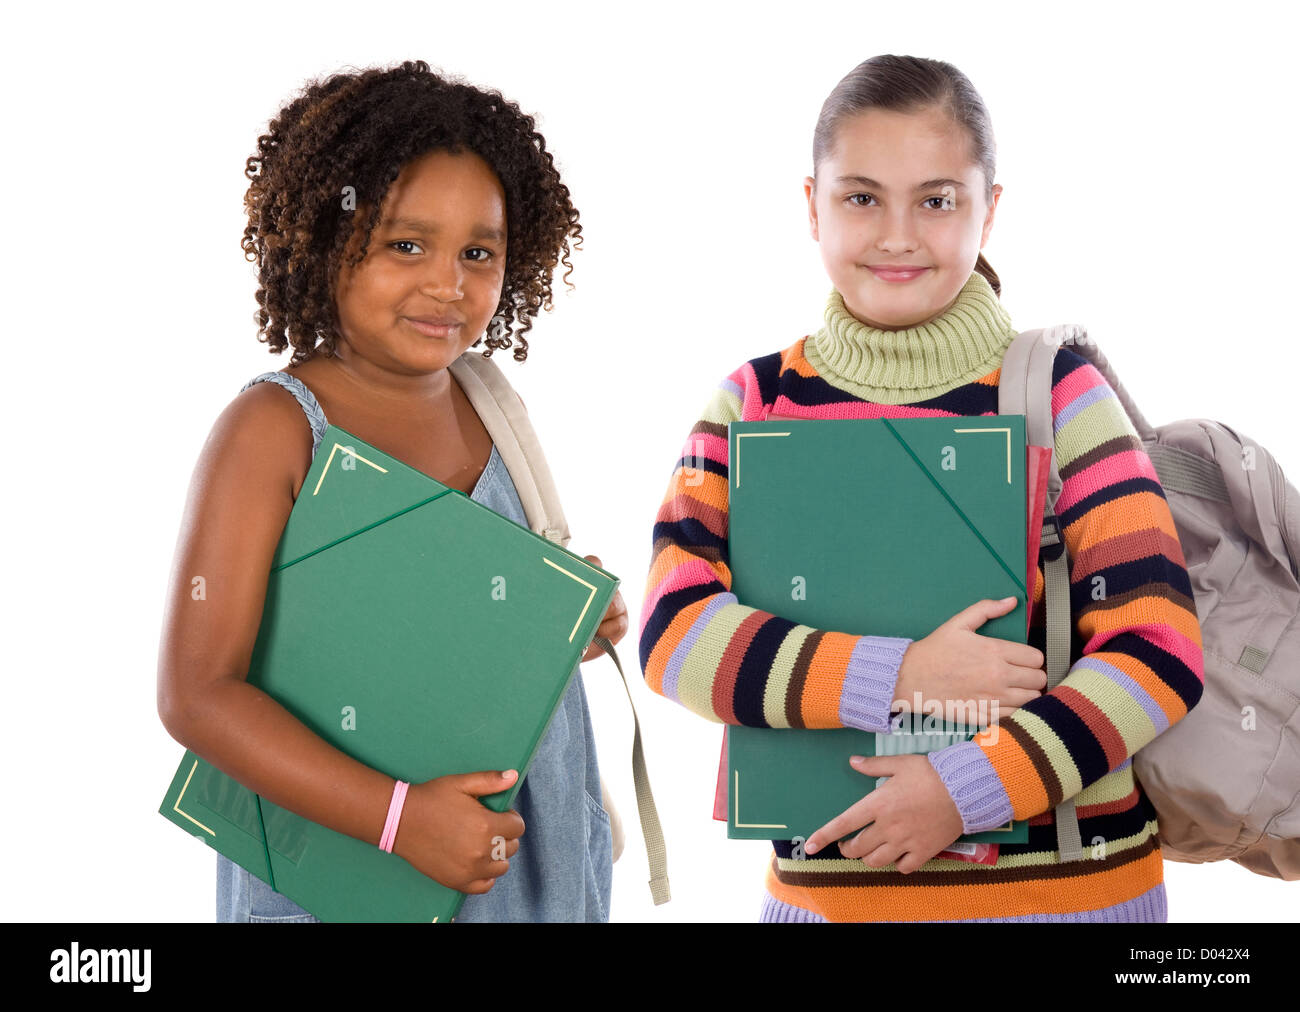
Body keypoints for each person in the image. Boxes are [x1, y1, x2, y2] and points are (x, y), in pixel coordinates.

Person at [638, 53, 1204, 922]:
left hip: (1070, 900)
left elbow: (1157, 649)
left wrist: (967, 788)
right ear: (811, 205)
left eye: (937, 200)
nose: (898, 235)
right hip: (829, 901)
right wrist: (901, 676)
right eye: (861, 196)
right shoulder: (752, 403)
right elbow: (674, 637)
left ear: (990, 208)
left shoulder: (1059, 394)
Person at [156, 60, 627, 923]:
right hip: (351, 871)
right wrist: (399, 821)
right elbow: (197, 692)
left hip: (525, 867)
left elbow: (441, 632)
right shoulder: (276, 430)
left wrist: (556, 628)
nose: (448, 284)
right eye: (405, 245)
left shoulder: (491, 408)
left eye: (477, 253)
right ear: (321, 239)